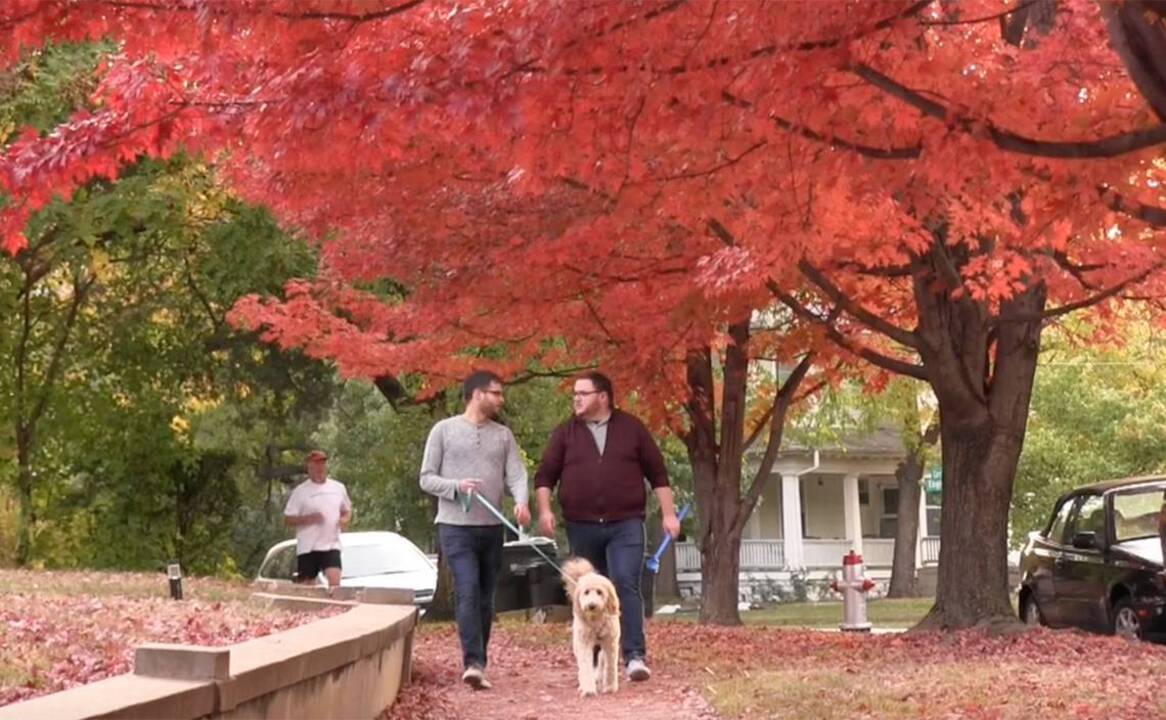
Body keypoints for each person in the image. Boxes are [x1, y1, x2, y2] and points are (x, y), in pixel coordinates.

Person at [534, 371, 679, 683]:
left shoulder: (632, 429)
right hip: (581, 524)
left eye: (583, 393)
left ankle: (634, 656)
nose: (576, 398)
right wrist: (545, 511)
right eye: (574, 393)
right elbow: (545, 476)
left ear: (603, 397)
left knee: (625, 583)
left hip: (625, 523)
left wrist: (669, 515)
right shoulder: (565, 434)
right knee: (587, 590)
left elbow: (658, 474)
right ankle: (596, 659)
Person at [419, 370, 530, 690]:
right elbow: (426, 477)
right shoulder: (443, 430)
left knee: (485, 597)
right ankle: (473, 662)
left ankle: (480, 658)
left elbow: (517, 474)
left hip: (493, 528)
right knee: (467, 590)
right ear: (478, 394)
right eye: (496, 393)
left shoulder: (503, 435)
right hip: (456, 528)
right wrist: (456, 486)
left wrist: (521, 503)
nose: (501, 399)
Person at [283, 449, 352, 589]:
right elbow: (287, 519)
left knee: (335, 582)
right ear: (309, 467)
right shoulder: (300, 492)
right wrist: (308, 519)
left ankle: (334, 605)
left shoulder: (338, 488)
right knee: (307, 588)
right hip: (308, 547)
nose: (319, 468)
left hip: (331, 544)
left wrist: (344, 520)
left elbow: (346, 510)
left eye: (322, 464)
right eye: (315, 465)